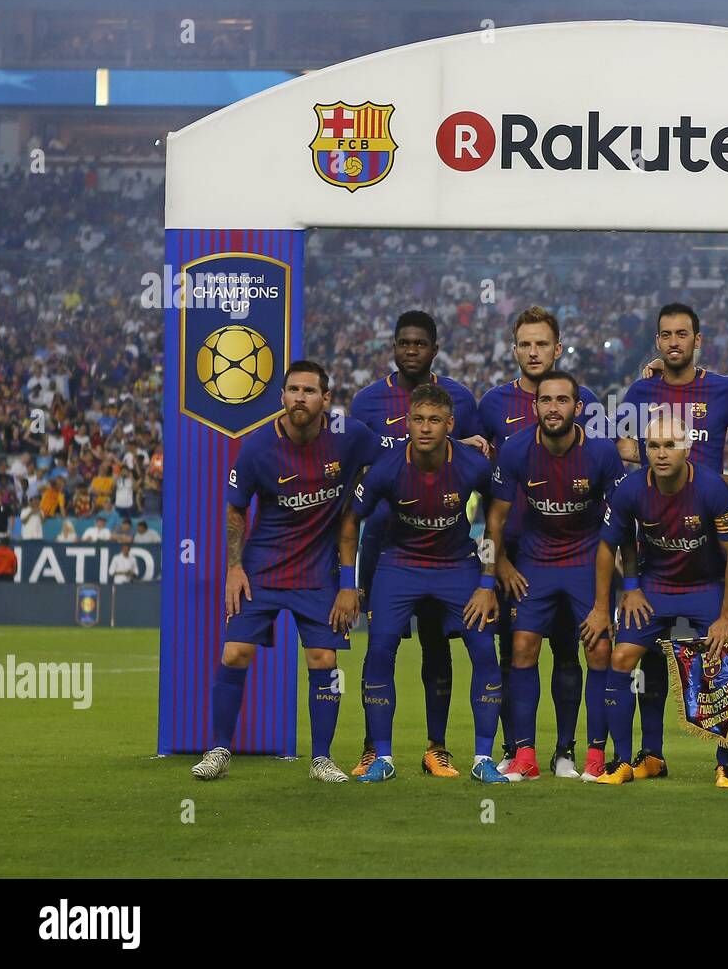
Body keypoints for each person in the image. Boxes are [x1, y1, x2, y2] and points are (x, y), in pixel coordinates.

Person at [190, 361, 378, 784]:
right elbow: (236, 507)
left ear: (326, 400)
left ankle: (321, 759)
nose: (299, 397)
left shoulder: (350, 435)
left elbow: (396, 457)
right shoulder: (259, 447)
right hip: (263, 567)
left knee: (323, 659)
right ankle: (219, 749)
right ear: (282, 396)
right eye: (292, 390)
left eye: (309, 391)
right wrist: (234, 568)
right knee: (235, 652)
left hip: (320, 569)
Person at [618, 302, 728, 778]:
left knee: (724, 658)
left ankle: (727, 763)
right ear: (658, 341)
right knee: (647, 654)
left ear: (697, 340)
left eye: (682, 334)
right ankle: (649, 754)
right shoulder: (640, 390)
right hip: (660, 549)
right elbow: (625, 449)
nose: (673, 342)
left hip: (713, 550)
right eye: (665, 334)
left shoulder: (723, 390)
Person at [335, 383, 508, 785]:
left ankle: (483, 758)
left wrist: (487, 580)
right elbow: (349, 522)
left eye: (434, 420)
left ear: (451, 424)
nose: (425, 428)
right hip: (400, 565)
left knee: (484, 650)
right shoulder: (387, 466)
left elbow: (497, 518)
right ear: (407, 421)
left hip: (457, 565)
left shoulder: (473, 464)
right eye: (418, 419)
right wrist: (348, 583)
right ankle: (383, 756)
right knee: (379, 650)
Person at [348, 310, 489, 779]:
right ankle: (375, 749)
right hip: (387, 547)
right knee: (380, 645)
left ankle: (437, 747)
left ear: (434, 348)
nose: (411, 349)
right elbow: (356, 471)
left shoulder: (461, 399)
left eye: (420, 343)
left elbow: (477, 454)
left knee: (437, 644)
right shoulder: (368, 402)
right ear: (394, 346)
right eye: (403, 342)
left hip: (446, 546)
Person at [582, 411, 728, 786]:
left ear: (687, 448)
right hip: (656, 587)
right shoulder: (630, 488)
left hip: (705, 585)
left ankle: (727, 763)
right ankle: (625, 760)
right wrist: (611, 600)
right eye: (653, 446)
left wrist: (725, 616)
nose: (661, 453)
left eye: (669, 445)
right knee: (622, 658)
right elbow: (607, 547)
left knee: (724, 662)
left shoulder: (712, 489)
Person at [476, 306, 606, 776]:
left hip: (574, 556)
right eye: (525, 344)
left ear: (558, 348)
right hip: (517, 560)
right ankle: (517, 749)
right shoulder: (491, 404)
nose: (533, 352)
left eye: (542, 344)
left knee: (571, 651)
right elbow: (483, 485)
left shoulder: (585, 399)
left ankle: (567, 751)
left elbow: (599, 466)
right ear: (514, 350)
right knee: (514, 652)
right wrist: (497, 564)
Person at [485, 370, 626, 782]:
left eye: (562, 400)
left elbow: (622, 520)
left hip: (587, 560)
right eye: (546, 400)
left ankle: (595, 756)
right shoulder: (515, 450)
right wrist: (501, 565)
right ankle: (525, 756)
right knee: (523, 647)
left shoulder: (601, 453)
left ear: (578, 408)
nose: (553, 408)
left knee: (599, 650)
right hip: (535, 561)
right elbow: (493, 520)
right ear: (535, 406)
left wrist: (625, 587)